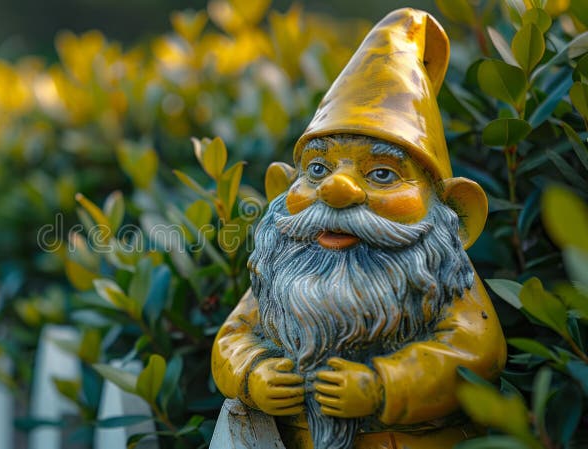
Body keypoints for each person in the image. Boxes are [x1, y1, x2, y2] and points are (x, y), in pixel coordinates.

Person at [211, 8, 507, 449]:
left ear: (454, 211)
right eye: (316, 169)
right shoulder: (284, 274)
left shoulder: (443, 280)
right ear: (281, 189)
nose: (336, 188)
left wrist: (384, 385)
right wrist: (253, 372)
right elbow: (233, 338)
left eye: (383, 173)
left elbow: (477, 352)